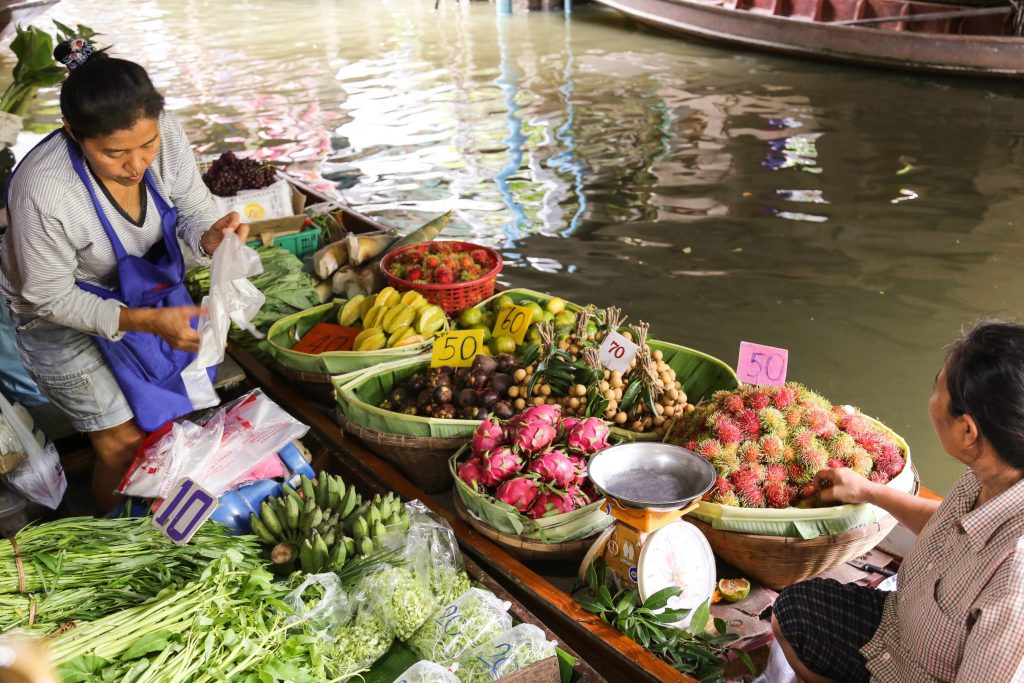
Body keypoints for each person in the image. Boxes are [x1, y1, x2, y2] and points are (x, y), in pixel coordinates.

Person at [0, 38, 249, 512]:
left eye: (147, 144)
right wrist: (142, 321)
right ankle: (118, 543)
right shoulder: (44, 190)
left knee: (166, 424)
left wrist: (208, 239)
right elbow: (48, 296)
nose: (136, 164)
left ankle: (159, 521)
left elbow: (194, 210)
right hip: (57, 319)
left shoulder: (166, 134)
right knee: (123, 443)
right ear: (73, 132)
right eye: (114, 153)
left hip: (143, 297)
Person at [771, 320, 1024, 682]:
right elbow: (948, 527)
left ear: (967, 431)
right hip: (896, 632)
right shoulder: (993, 473)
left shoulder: (1017, 574)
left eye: (938, 387)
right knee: (793, 611)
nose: (931, 401)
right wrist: (868, 491)